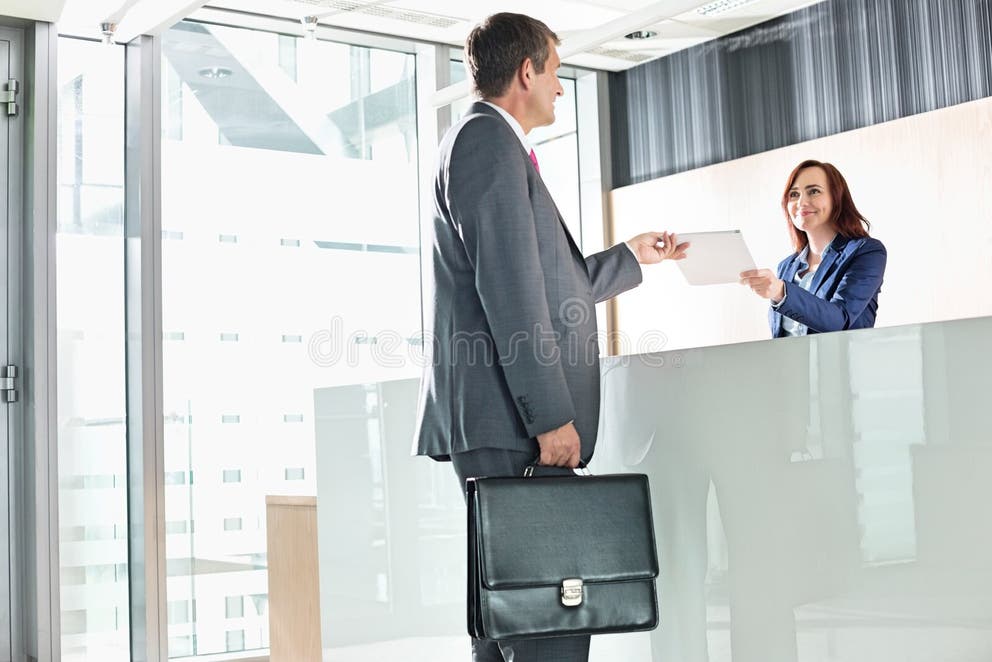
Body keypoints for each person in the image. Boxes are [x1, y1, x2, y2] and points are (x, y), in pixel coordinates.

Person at [412, 12, 687, 662]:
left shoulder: (488, 145)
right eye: (558, 71)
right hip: (513, 421)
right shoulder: (486, 143)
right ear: (527, 71)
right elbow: (510, 293)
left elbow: (544, 284)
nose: (562, 88)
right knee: (550, 627)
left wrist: (630, 257)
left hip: (503, 420)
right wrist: (552, 416)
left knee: (512, 616)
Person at [740, 159, 887, 337]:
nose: (801, 202)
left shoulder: (866, 251)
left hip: (841, 364)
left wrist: (781, 292)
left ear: (836, 198)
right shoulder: (787, 265)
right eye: (794, 194)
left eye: (814, 191)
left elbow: (840, 319)